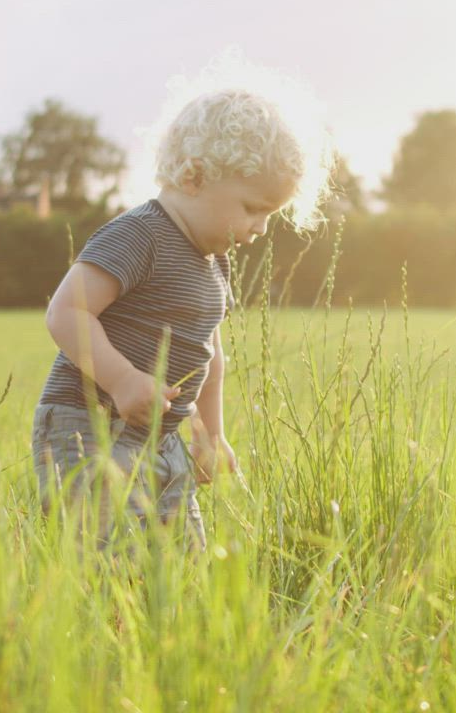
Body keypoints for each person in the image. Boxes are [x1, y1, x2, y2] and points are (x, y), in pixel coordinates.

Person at [31, 83, 332, 551]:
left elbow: (209, 354)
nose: (260, 228)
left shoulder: (213, 261)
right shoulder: (139, 235)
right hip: (88, 425)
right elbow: (66, 312)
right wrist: (122, 379)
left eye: (271, 214)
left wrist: (211, 436)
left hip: (162, 436)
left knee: (183, 561)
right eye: (252, 208)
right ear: (193, 177)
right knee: (110, 559)